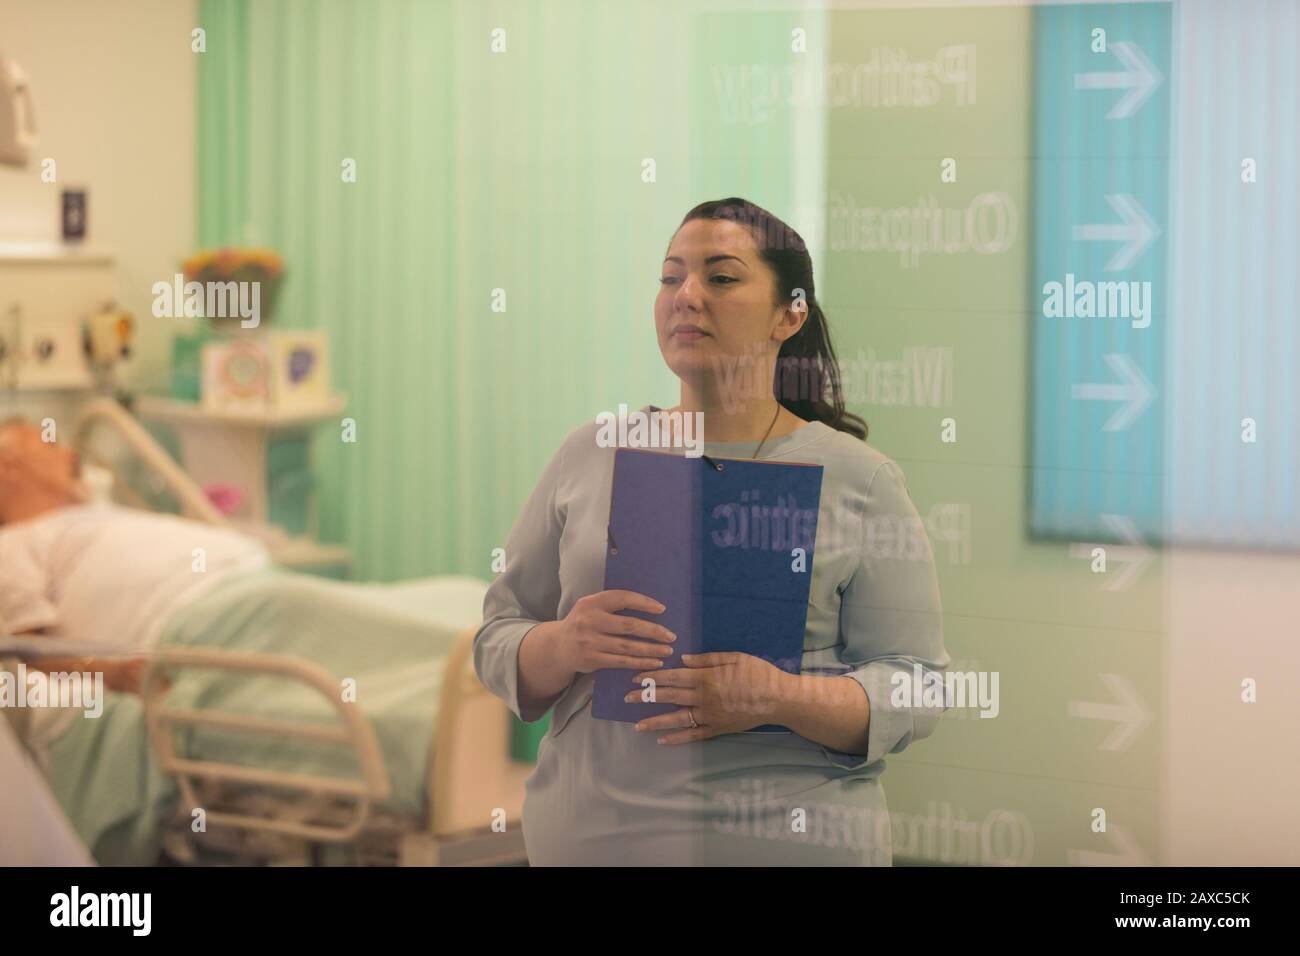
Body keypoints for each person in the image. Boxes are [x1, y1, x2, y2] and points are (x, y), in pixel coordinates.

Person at [474, 198, 950, 865]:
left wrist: (780, 696)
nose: (687, 297)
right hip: (595, 837)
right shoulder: (592, 453)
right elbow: (497, 638)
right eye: (671, 278)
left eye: (721, 278)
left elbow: (919, 685)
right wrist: (566, 641)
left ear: (791, 313)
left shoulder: (859, 479)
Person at [0, 417, 269, 691]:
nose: (71, 454)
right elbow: (26, 654)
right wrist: (107, 672)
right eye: (51, 445)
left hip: (249, 577)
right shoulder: (15, 543)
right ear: (7, 466)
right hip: (196, 612)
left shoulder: (101, 516)